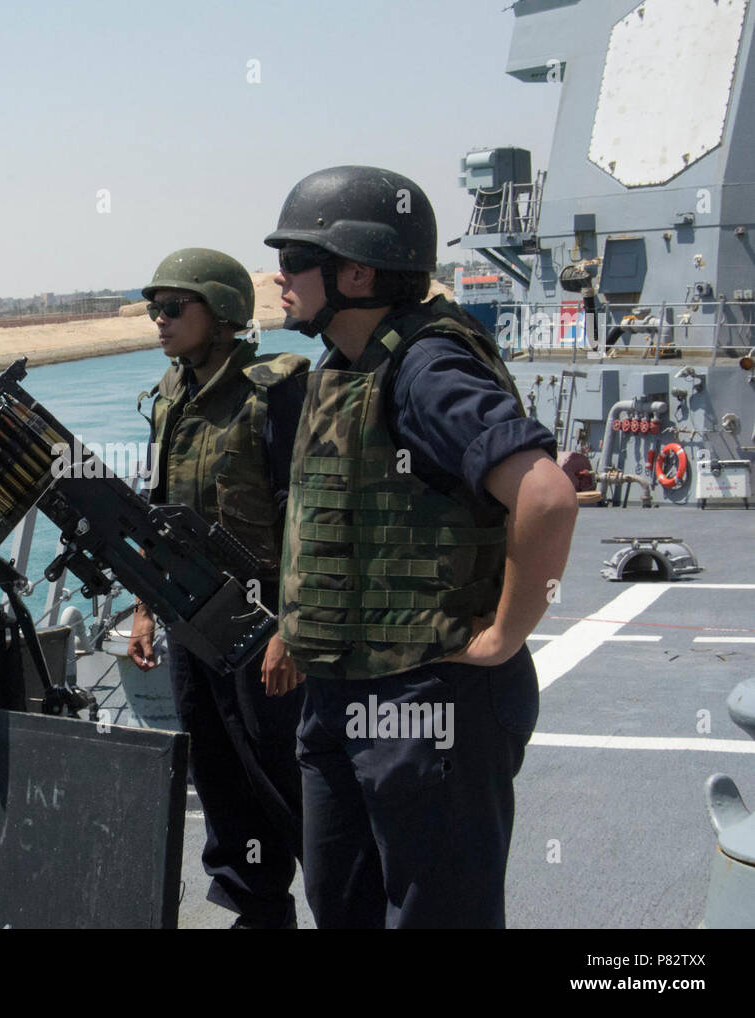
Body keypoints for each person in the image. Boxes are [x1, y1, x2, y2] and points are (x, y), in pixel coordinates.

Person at [263, 167, 577, 928]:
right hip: (342, 693)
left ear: (358, 270)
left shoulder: (425, 368)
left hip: (427, 699)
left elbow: (546, 495)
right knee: (341, 902)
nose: (279, 277)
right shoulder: (344, 368)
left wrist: (504, 636)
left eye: (296, 259)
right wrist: (297, 626)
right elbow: (338, 521)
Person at [127, 247, 308, 928]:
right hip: (187, 612)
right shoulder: (169, 396)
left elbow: (306, 518)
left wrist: (293, 626)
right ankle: (257, 908)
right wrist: (145, 610)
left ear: (224, 312)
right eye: (154, 309)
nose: (160, 321)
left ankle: (347, 904)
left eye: (174, 308)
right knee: (218, 767)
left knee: (286, 772)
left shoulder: (274, 393)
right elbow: (152, 510)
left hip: (262, 614)